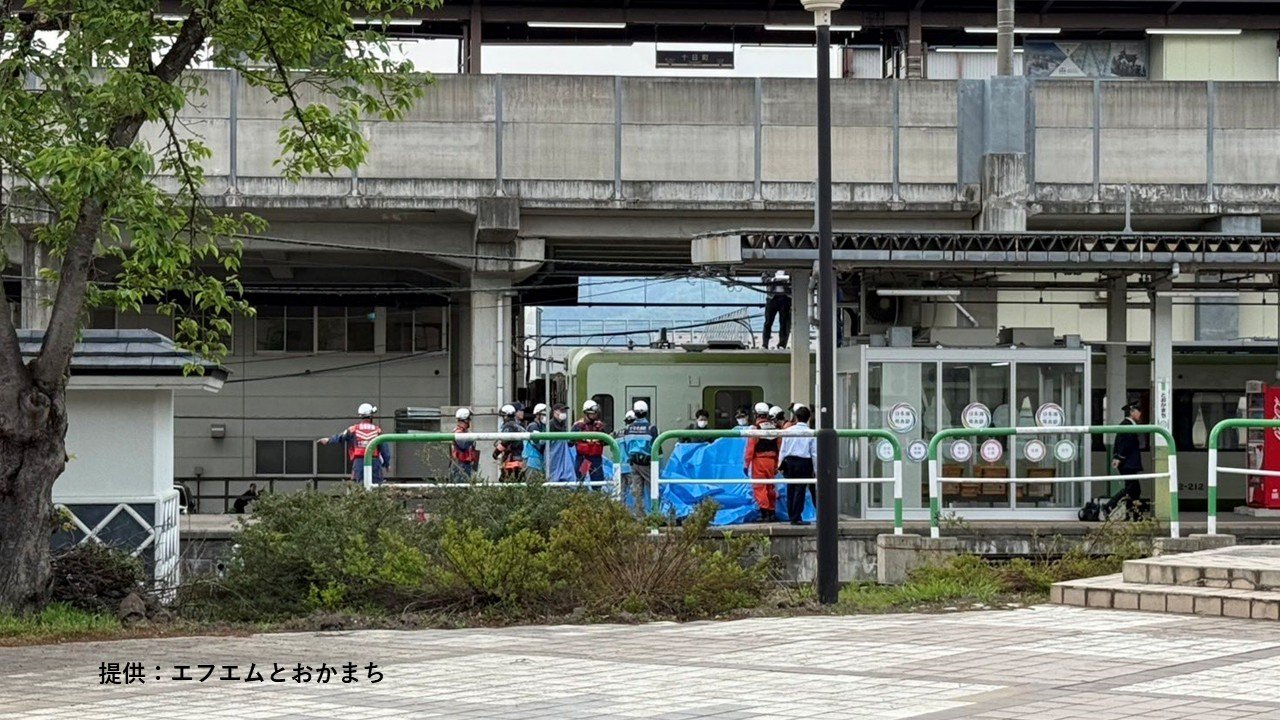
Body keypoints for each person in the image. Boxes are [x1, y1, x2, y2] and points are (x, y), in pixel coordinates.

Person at [319, 402, 390, 484]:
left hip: (359, 463)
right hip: (374, 462)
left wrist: (329, 440)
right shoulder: (377, 430)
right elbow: (385, 449)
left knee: (358, 487)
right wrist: (387, 464)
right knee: (376, 486)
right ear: (371, 415)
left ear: (361, 415)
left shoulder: (353, 429)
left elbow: (341, 437)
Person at [1106, 403, 1145, 519]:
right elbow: (1124, 444)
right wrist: (1119, 458)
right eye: (1138, 411)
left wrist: (1117, 457)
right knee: (1131, 488)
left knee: (1135, 490)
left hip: (1128, 463)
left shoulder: (1127, 424)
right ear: (1132, 412)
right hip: (1128, 463)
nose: (1140, 413)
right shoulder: (1127, 425)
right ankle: (1109, 505)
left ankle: (1135, 515)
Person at [744, 401, 781, 522]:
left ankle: (764, 513)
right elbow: (779, 447)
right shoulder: (774, 428)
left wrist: (746, 464)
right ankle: (772, 512)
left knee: (760, 487)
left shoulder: (756, 429)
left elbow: (750, 448)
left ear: (756, 414)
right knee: (770, 487)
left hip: (759, 461)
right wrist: (777, 464)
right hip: (772, 461)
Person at [620, 400, 659, 516]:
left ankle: (639, 516)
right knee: (654, 488)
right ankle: (655, 514)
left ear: (635, 412)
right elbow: (655, 447)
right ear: (646, 412)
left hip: (634, 463)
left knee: (637, 492)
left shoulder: (629, 428)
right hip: (647, 463)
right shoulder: (651, 428)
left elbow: (627, 446)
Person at [780, 406, 817, 526]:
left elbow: (783, 449)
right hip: (804, 462)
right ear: (808, 418)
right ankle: (796, 517)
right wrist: (815, 469)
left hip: (789, 461)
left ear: (796, 417)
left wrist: (780, 464)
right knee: (800, 490)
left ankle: (792, 515)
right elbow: (814, 453)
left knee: (790, 489)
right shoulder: (811, 433)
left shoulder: (788, 431)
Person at [573, 399, 607, 483]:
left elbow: (606, 441)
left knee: (597, 483)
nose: (595, 415)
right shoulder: (578, 426)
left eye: (595, 413)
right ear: (586, 413)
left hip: (596, 458)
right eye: (593, 413)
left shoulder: (599, 426)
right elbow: (569, 442)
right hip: (583, 458)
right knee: (580, 482)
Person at [493, 404, 526, 482]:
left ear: (506, 416)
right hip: (520, 457)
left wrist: (496, 452)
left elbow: (506, 441)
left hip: (513, 458)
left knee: (508, 481)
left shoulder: (509, 426)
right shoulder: (518, 426)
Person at [546, 403, 576, 483]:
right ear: (555, 412)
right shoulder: (551, 424)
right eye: (561, 410)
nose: (564, 413)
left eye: (564, 411)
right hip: (554, 455)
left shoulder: (562, 424)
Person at [762, 270, 791, 349]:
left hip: (785, 297)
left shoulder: (789, 268)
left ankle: (782, 344)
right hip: (772, 298)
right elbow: (764, 279)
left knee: (784, 322)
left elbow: (795, 279)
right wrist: (773, 280)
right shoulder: (769, 268)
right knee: (768, 321)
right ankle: (765, 344)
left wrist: (787, 280)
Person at [450, 407, 479, 481]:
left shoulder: (465, 432)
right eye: (468, 419)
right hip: (460, 464)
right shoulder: (458, 432)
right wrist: (471, 438)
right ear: (465, 420)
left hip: (466, 464)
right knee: (461, 485)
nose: (469, 421)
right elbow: (463, 446)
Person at [524, 403, 549, 476]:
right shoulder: (533, 426)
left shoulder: (543, 427)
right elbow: (537, 443)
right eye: (543, 415)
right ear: (537, 415)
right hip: (532, 461)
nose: (545, 417)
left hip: (539, 460)